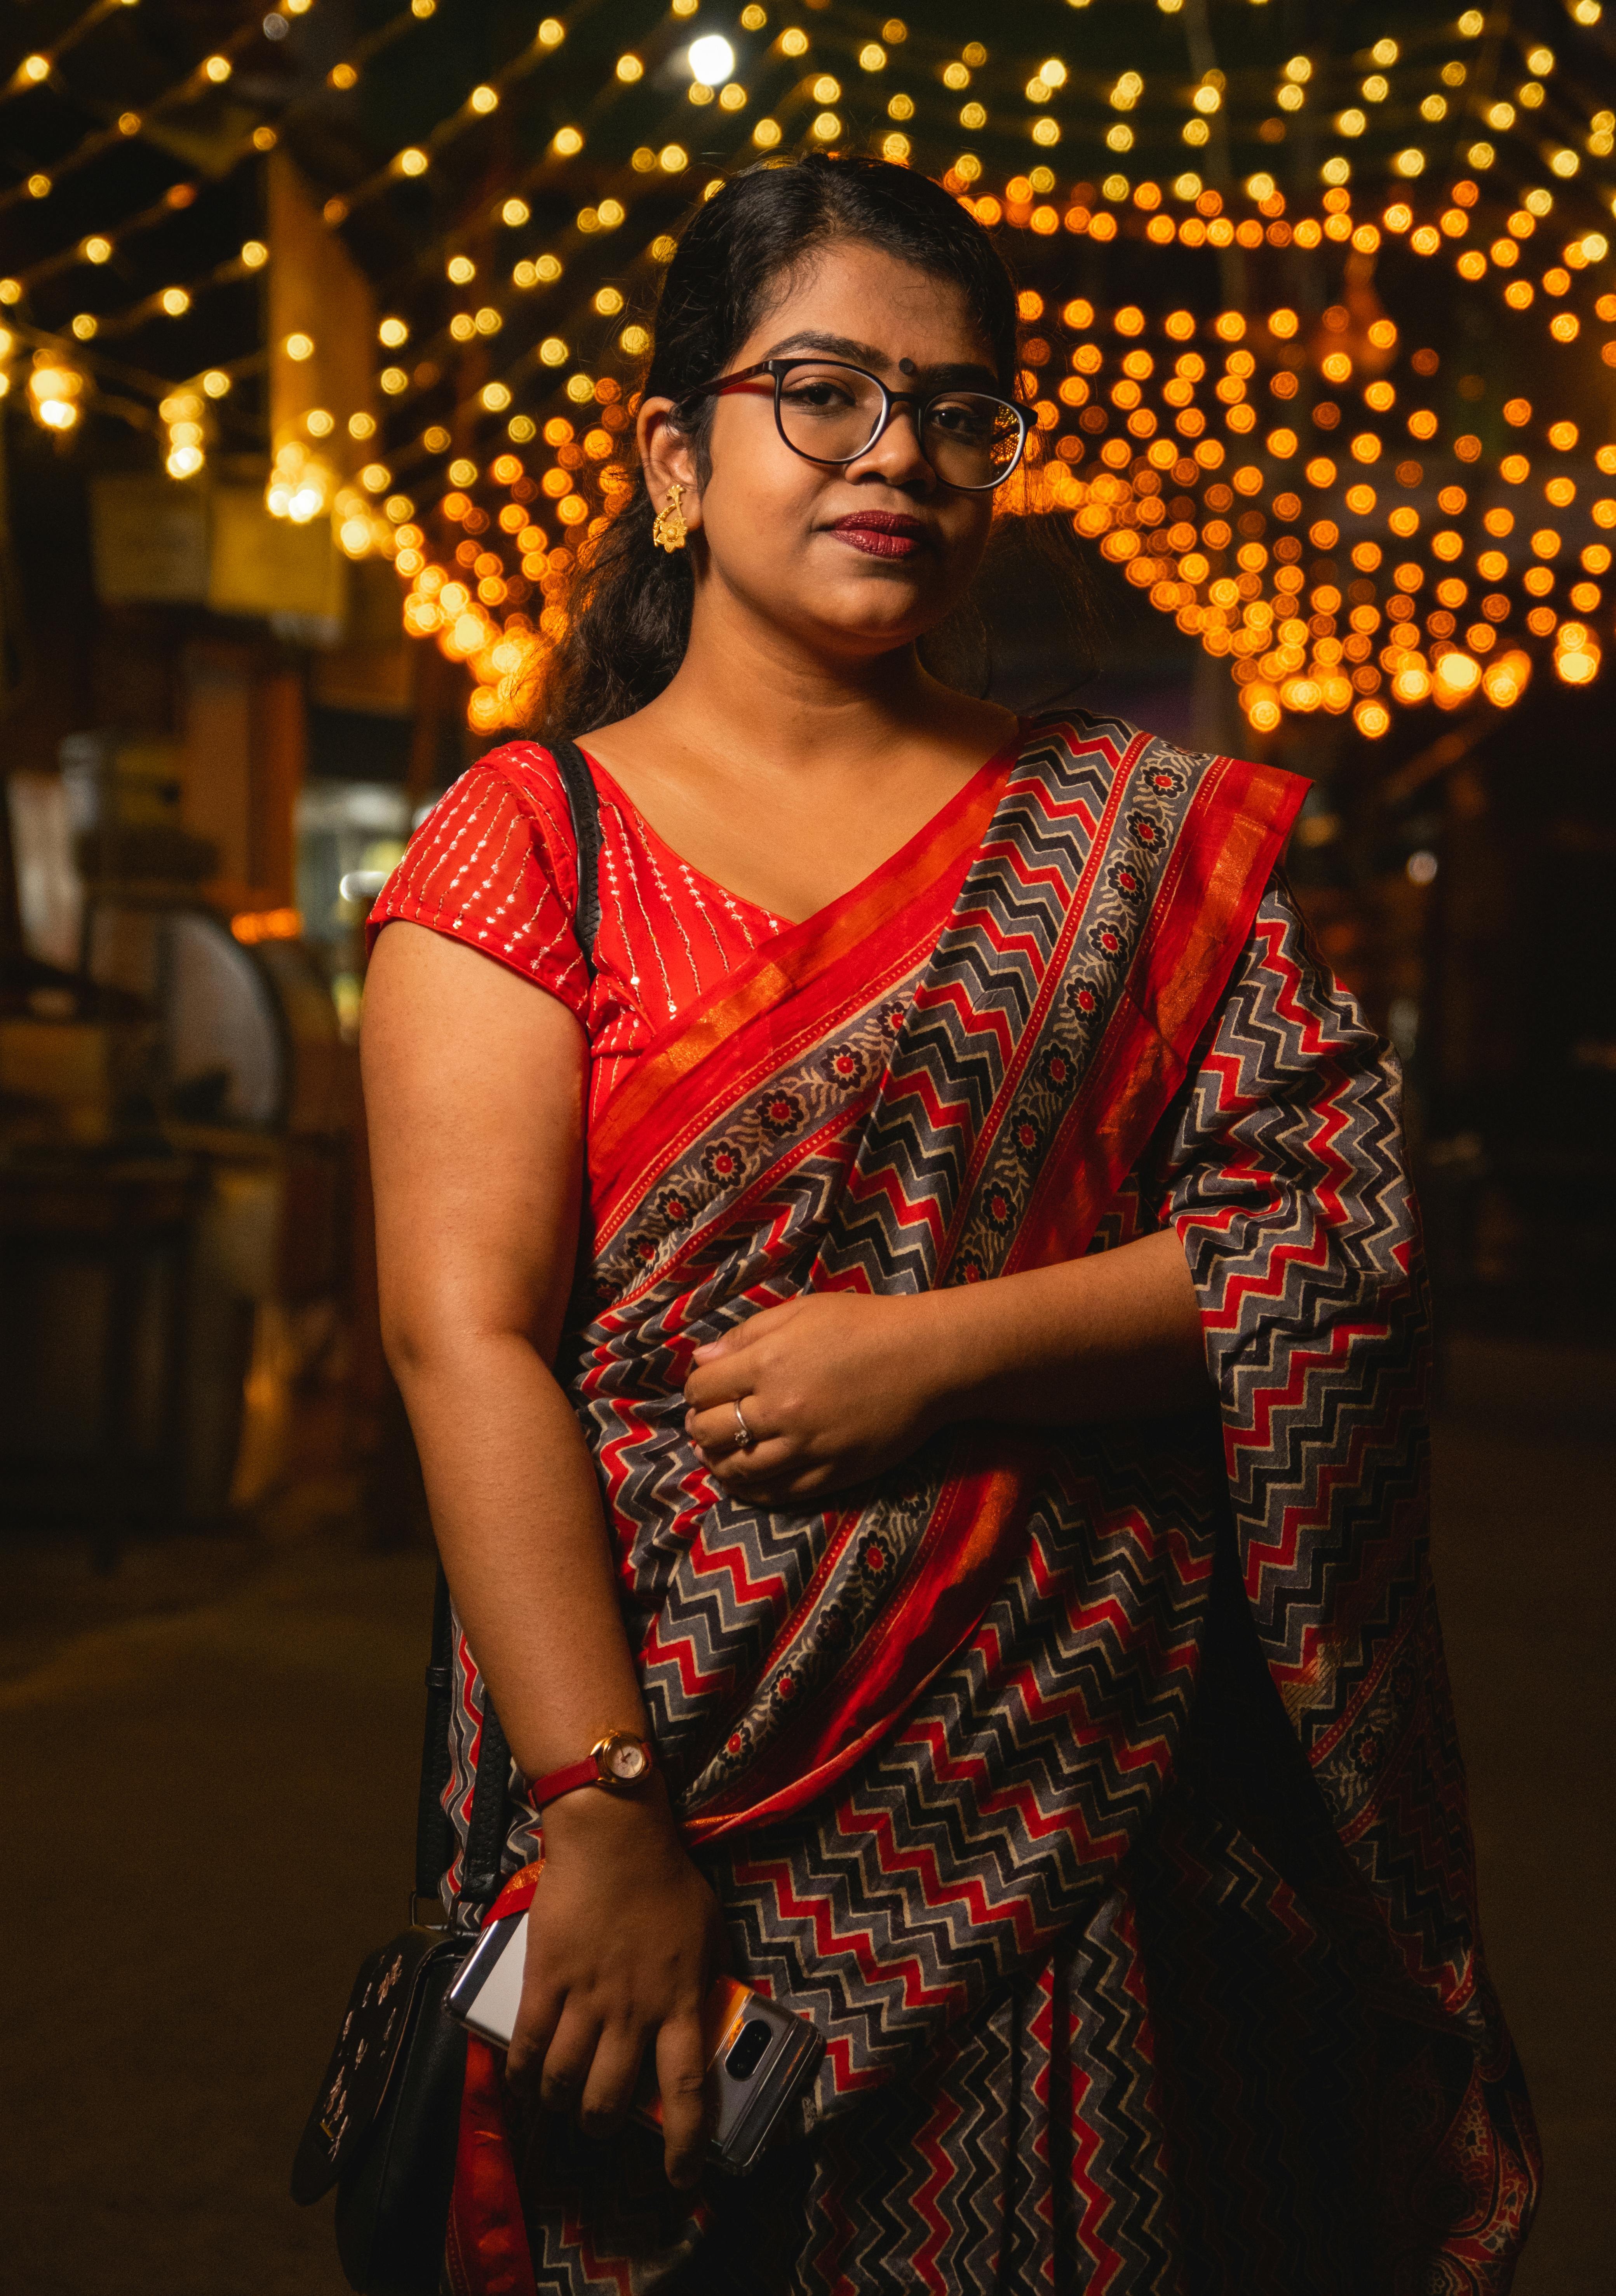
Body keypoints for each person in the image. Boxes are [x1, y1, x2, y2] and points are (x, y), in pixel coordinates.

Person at [362, 155, 1539, 2296]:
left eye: (957, 409)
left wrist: (937, 1350)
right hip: (657, 1775)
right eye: (822, 391)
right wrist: (601, 1804)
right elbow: (469, 1340)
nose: (897, 453)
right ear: (672, 458)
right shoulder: (529, 841)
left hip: (1073, 1797)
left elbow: (1334, 1243)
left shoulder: (1133, 838)